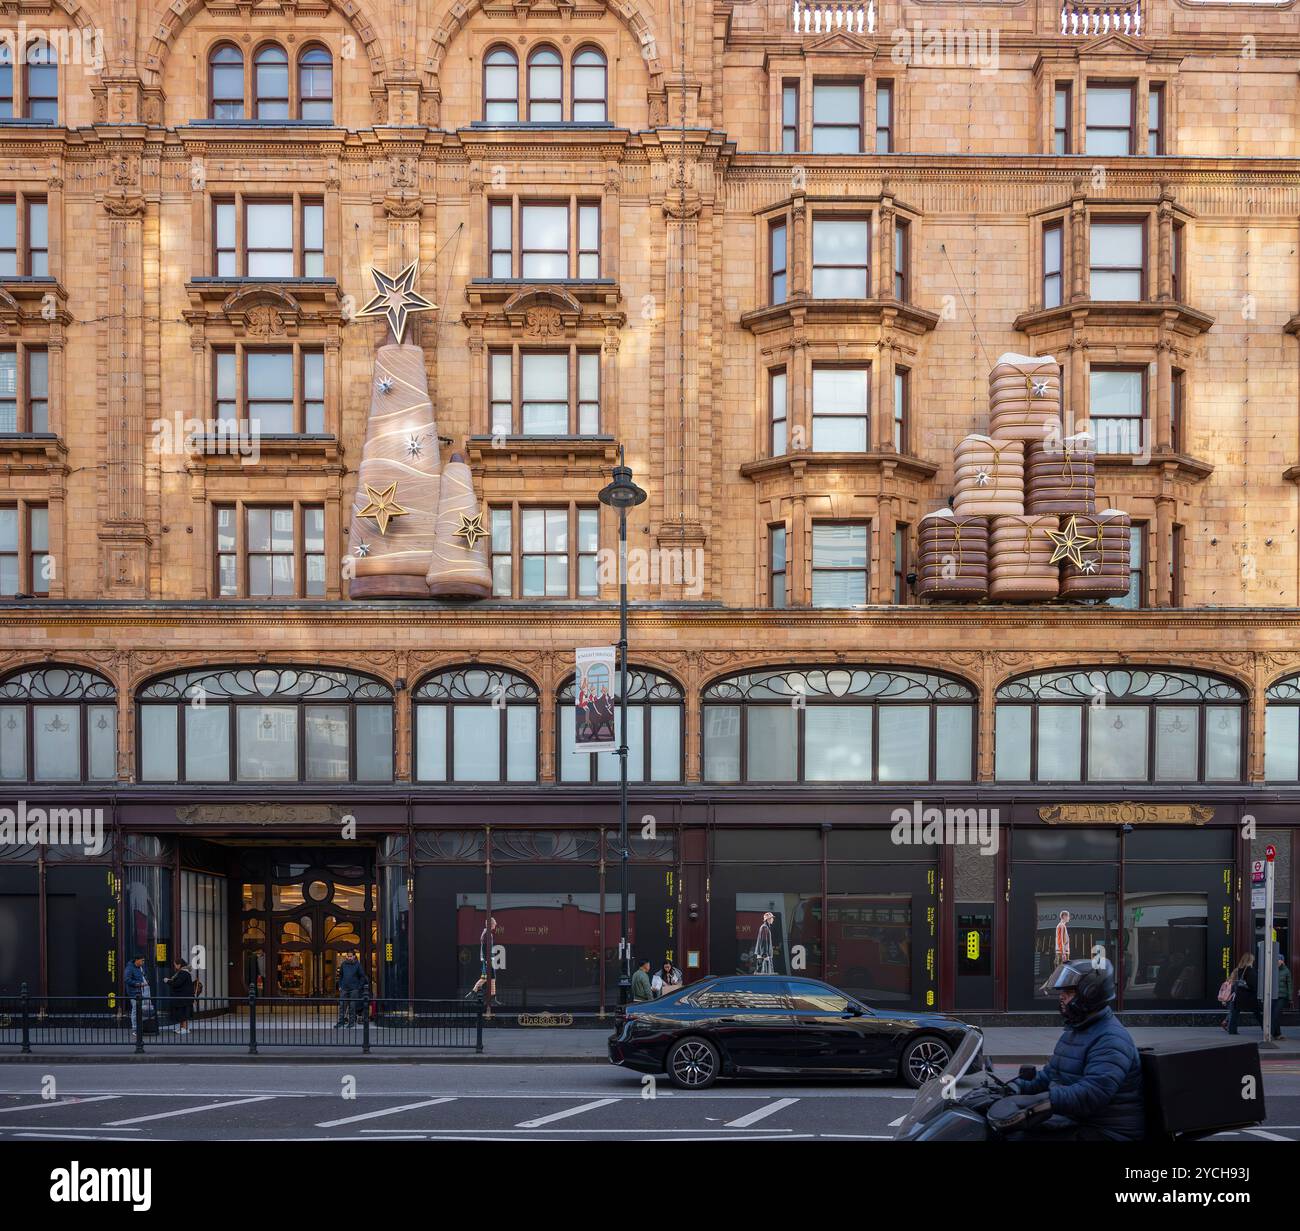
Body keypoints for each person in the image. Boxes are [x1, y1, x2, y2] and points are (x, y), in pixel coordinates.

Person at [1013, 957, 1145, 1141]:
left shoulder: (1110, 1039)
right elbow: (1051, 1075)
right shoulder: (1077, 1030)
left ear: (1090, 994)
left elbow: (1090, 1094)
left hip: (1107, 1132)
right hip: (1076, 1121)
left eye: (1068, 992)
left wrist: (1040, 1101)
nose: (1061, 997)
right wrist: (1012, 1088)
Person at [1223, 953, 1260, 1035]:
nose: (1253, 961)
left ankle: (1232, 1030)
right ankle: (1268, 1030)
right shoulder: (1250, 970)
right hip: (1249, 996)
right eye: (1253, 960)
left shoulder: (1238, 970)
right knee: (1258, 1014)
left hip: (1238, 995)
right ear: (1250, 960)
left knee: (1235, 1013)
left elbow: (1231, 981)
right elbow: (1253, 985)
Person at [334, 950, 368, 1028]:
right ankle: (341, 1022)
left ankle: (351, 1022)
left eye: (350, 956)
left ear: (354, 956)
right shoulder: (343, 964)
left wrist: (358, 987)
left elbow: (362, 976)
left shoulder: (358, 965)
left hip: (354, 989)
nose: (349, 958)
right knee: (342, 1005)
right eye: (348, 956)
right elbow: (341, 976)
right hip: (344, 988)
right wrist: (340, 985)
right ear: (346, 956)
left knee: (352, 1006)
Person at [469, 917, 498, 1003]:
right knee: (485, 978)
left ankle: (493, 997)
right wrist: (486, 960)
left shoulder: (487, 933)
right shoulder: (487, 934)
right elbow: (485, 948)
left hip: (488, 959)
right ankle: (473, 992)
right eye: (494, 923)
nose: (495, 924)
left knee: (492, 978)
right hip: (487, 960)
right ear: (491, 924)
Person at [164, 959, 194, 1035]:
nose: (174, 966)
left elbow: (177, 983)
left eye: (175, 964)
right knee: (182, 1013)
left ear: (179, 965)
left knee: (183, 1013)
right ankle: (182, 1028)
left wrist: (168, 981)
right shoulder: (184, 973)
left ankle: (184, 1028)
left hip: (183, 997)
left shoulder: (183, 973)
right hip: (184, 997)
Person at [124, 954, 150, 1031]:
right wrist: (138, 984)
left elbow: (144, 976)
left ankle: (142, 1027)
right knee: (135, 1010)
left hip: (143, 991)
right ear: (137, 960)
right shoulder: (130, 968)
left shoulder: (141, 967)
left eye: (144, 960)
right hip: (134, 993)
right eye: (142, 960)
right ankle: (135, 1029)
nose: (143, 962)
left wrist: (146, 981)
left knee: (142, 1010)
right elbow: (127, 979)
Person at [1272, 955, 1291, 1040]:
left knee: (1276, 1014)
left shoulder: (1286, 971)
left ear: (1282, 961)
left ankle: (1272, 1034)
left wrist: (1290, 998)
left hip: (1282, 996)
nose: (1277, 961)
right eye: (1276, 960)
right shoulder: (1272, 970)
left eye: (1279, 960)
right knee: (1274, 1015)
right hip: (1273, 995)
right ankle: (1277, 1034)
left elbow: (1289, 985)